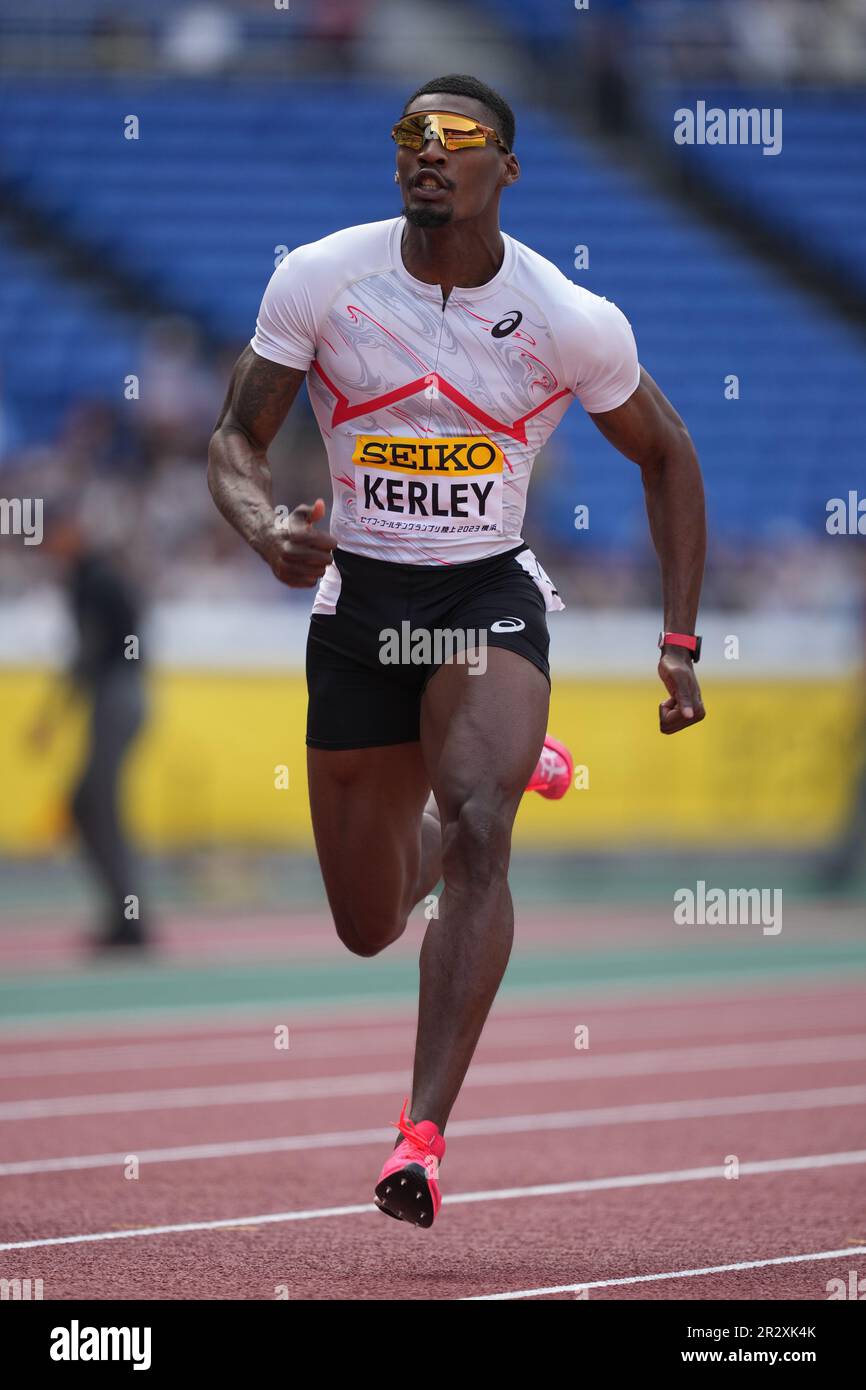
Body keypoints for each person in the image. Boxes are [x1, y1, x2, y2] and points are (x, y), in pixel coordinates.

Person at [207, 74, 706, 1227]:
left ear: (506, 169)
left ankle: (420, 1136)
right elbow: (237, 433)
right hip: (361, 607)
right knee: (367, 922)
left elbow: (667, 453)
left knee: (481, 830)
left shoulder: (568, 320)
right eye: (408, 135)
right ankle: (502, 770)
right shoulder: (321, 281)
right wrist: (261, 522)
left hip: (484, 596)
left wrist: (678, 640)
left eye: (457, 135)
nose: (426, 151)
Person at [28, 518, 150, 951]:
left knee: (101, 807)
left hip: (117, 698)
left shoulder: (93, 580)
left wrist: (50, 717)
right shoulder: (91, 577)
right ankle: (124, 914)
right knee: (88, 806)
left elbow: (89, 653)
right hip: (119, 697)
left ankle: (131, 921)